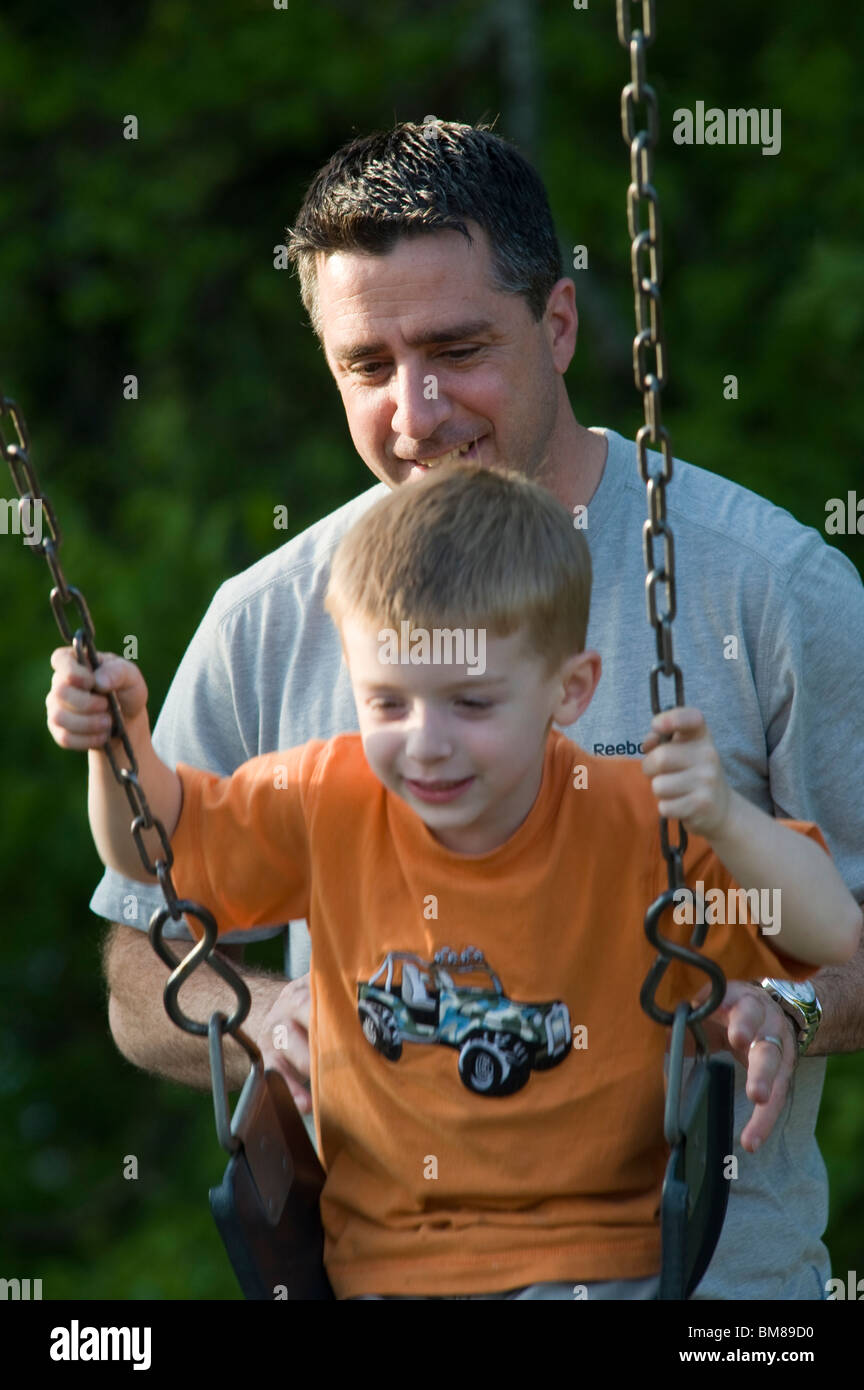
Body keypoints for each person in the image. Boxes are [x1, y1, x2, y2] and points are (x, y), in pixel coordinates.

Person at [88, 121, 864, 1301]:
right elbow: (146, 959)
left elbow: (836, 924)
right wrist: (272, 1011)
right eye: (368, 365)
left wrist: (790, 1006)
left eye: (458, 347)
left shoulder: (765, 588)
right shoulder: (267, 619)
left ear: (558, 325)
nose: (417, 409)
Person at [46, 464, 862, 1300]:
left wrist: (726, 816)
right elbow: (153, 853)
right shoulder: (327, 797)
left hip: (603, 1266)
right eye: (388, 703)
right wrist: (124, 748)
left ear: (571, 688)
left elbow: (831, 931)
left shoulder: (628, 817)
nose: (427, 743)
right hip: (382, 1269)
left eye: (471, 704)